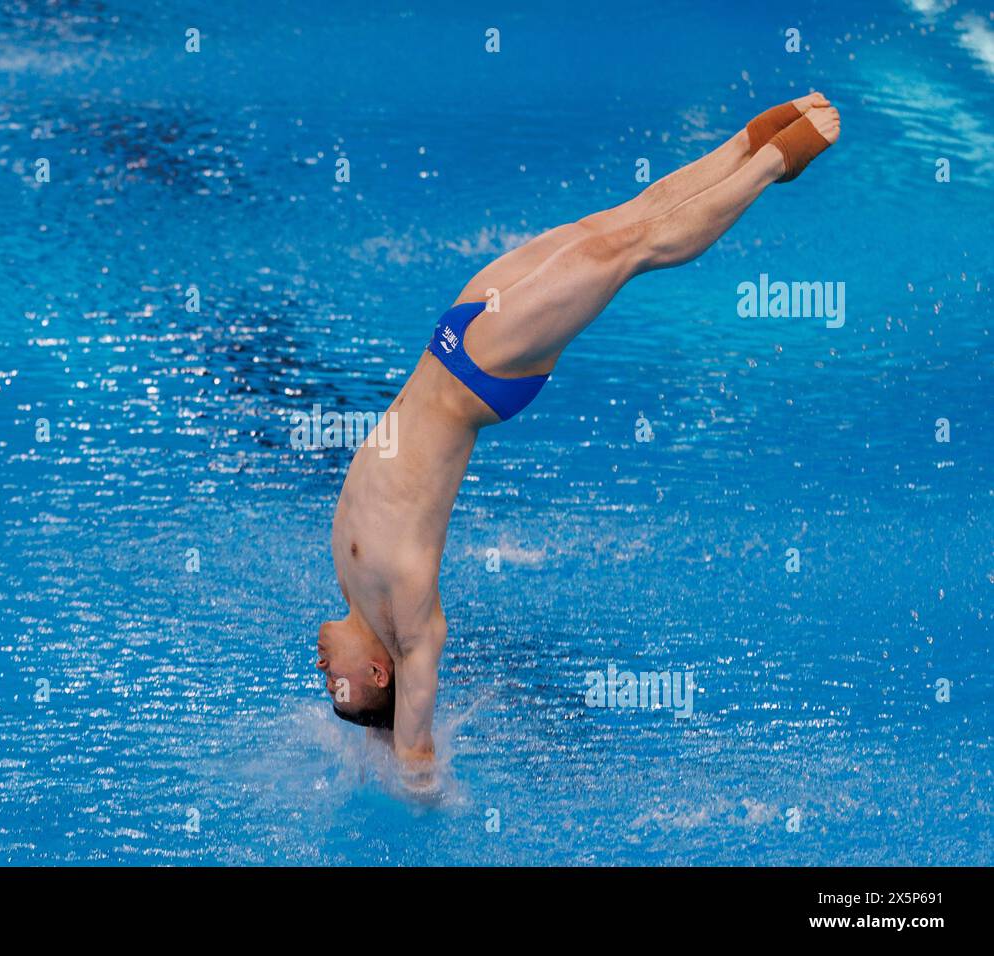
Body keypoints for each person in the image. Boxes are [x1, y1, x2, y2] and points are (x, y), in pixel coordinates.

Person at [315, 94, 841, 790]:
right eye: (339, 687)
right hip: (483, 372)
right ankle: (777, 162)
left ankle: (746, 144)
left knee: (619, 220)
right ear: (379, 672)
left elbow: (374, 715)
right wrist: (412, 771)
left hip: (453, 337)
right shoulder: (409, 624)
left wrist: (363, 737)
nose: (323, 674)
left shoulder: (351, 581)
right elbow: (416, 751)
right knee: (630, 249)